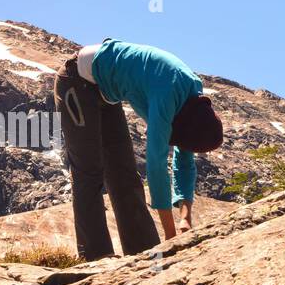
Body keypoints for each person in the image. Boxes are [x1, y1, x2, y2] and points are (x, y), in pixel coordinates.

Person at [53, 38, 224, 262]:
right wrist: (171, 238)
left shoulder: (195, 102)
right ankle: (96, 257)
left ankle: (146, 253)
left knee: (124, 175)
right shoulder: (167, 96)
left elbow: (184, 158)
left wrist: (185, 218)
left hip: (107, 92)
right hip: (77, 82)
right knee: (89, 171)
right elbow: (156, 166)